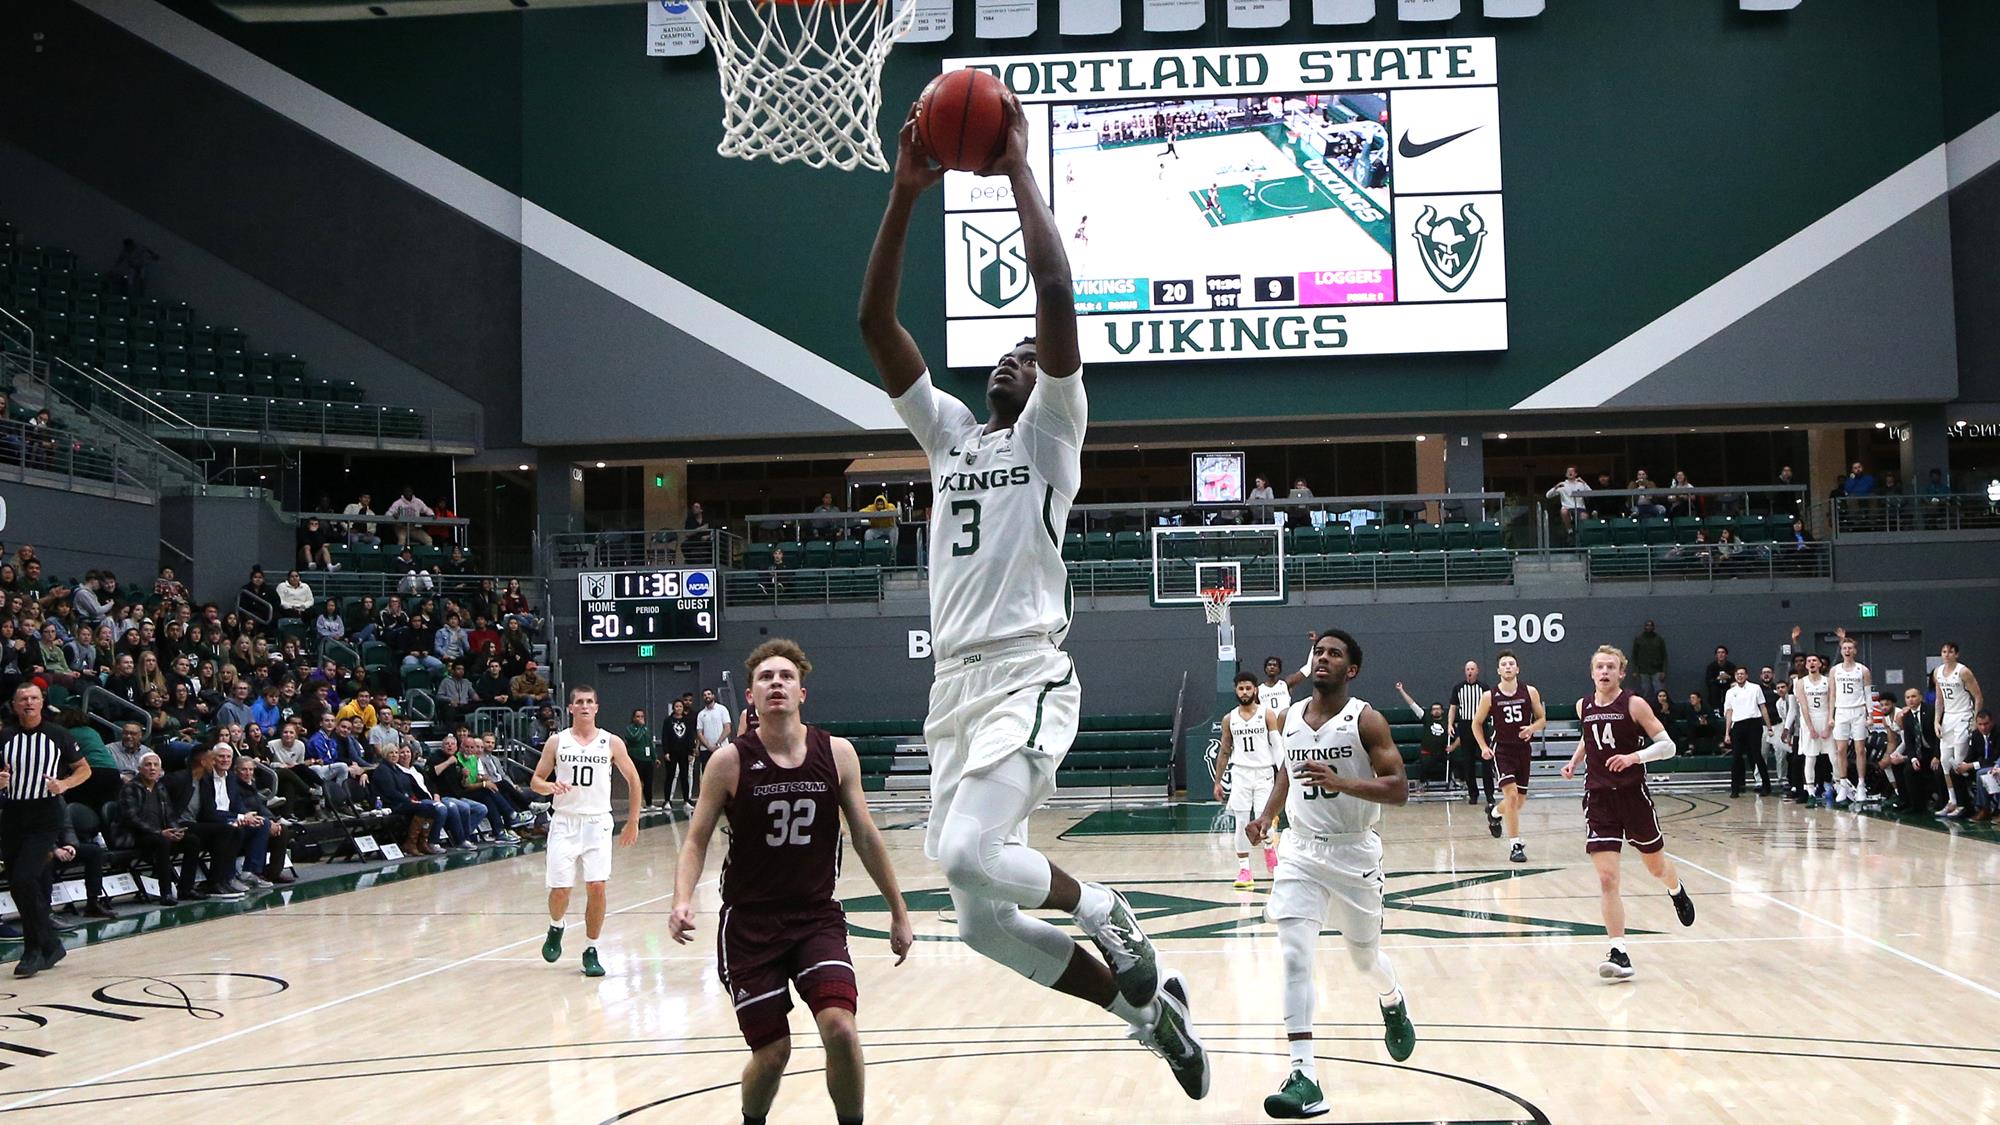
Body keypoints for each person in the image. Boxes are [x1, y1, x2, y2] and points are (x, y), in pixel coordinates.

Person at [860, 89, 1207, 1097]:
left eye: (1025, 354)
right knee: (971, 911)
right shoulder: (949, 438)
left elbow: (1054, 296)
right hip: (952, 693)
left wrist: (1013, 164)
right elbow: (872, 320)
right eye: (1003, 355)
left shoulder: (1050, 434)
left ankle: (1104, 904)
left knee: (968, 850)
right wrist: (903, 194)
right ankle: (1145, 1013)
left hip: (1025, 673)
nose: (1014, 358)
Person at [669, 640, 915, 1125]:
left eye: (785, 676)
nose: (776, 683)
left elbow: (865, 834)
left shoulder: (837, 753)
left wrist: (899, 910)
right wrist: (681, 900)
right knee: (774, 1051)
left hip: (814, 916)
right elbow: (695, 839)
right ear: (750, 696)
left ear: (802, 691)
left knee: (841, 1028)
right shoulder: (729, 762)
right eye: (766, 677)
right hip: (750, 924)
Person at [1245, 631, 1415, 1117]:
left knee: (1365, 961)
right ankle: (1304, 1074)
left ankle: (1392, 998)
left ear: (1351, 669)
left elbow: (1399, 788)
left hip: (1354, 852)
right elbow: (1286, 775)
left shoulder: (1367, 719)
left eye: (1334, 654)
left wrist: (1343, 782)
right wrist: (1267, 817)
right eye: (1319, 652)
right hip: (1300, 852)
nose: (1322, 658)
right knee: (1296, 957)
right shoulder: (1289, 717)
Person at [1560, 646, 1697, 981]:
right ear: (1592, 672)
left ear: (1621, 673)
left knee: (1656, 867)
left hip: (1633, 796)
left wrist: (1634, 757)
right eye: (1599, 667)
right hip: (1599, 798)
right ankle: (1618, 949)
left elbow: (1668, 746)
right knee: (1607, 878)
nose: (1604, 672)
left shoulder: (1634, 704)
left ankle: (1676, 889)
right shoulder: (1584, 705)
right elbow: (1588, 736)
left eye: (1611, 667)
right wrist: (1576, 761)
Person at [531, 684, 642, 978]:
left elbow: (634, 780)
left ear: (596, 707)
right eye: (579, 702)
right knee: (561, 889)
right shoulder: (557, 742)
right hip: (565, 821)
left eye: (589, 701)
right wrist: (549, 786)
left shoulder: (611, 742)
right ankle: (557, 926)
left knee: (597, 886)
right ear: (570, 708)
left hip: (597, 823)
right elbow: (536, 781)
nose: (584, 706)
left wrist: (633, 820)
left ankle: (591, 949)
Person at [0, 683, 91, 976]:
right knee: (20, 883)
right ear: (14, 705)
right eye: (23, 698)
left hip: (45, 815)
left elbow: (84, 769)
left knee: (24, 879)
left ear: (41, 703)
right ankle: (49, 944)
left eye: (34, 698)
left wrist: (63, 784)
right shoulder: (5, 736)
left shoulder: (58, 735)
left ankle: (33, 949)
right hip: (13, 814)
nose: (28, 703)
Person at [1211, 672, 1283, 889]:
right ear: (1236, 690)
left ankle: (1269, 847)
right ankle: (1244, 869)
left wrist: (1284, 775)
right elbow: (1224, 751)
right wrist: (1217, 781)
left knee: (1265, 820)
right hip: (1241, 774)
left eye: (1248, 688)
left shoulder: (1267, 714)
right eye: (1241, 688)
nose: (1244, 692)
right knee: (1241, 823)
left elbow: (1277, 747)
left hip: (1264, 774)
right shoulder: (1229, 719)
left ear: (1255, 690)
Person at [1473, 650, 1546, 862]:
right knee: (1512, 796)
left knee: (1517, 802)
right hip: (1502, 750)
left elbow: (1542, 719)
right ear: (1498, 670)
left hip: (1523, 750)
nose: (1507, 667)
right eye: (1504, 664)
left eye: (1511, 663)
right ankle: (1515, 845)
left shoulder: (1530, 692)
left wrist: (1532, 728)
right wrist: (1483, 746)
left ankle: (1494, 813)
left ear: (1517, 668)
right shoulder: (1490, 696)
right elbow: (1476, 723)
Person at [1931, 642, 1983, 819]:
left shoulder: (1963, 671)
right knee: (1945, 760)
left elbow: (1978, 696)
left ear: (1956, 654)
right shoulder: (1938, 672)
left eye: (1950, 652)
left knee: (1959, 762)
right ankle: (1952, 800)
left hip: (1963, 715)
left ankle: (1965, 802)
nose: (1946, 654)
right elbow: (1939, 700)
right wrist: (1937, 721)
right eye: (1944, 651)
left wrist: (1975, 720)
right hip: (1948, 717)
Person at [1447, 660, 1495, 824]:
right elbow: (1453, 707)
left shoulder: (1484, 687)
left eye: (1472, 669)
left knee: (1486, 759)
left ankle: (1490, 794)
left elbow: (1492, 706)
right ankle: (1473, 794)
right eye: (1467, 669)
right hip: (1465, 725)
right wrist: (1449, 724)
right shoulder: (1458, 688)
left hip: (1481, 723)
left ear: (1477, 671)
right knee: (1468, 762)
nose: (1469, 671)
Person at [1830, 632, 1874, 805]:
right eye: (1844, 648)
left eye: (1850, 648)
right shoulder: (1835, 670)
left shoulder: (1863, 670)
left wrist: (1870, 714)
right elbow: (1832, 694)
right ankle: (1843, 784)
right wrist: (1830, 716)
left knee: (1860, 750)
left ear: (1855, 651)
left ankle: (1861, 784)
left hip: (1858, 711)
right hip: (1841, 711)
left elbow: (1868, 694)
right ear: (1841, 651)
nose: (1847, 651)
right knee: (1840, 750)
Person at [1790, 639, 1835, 806]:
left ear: (1820, 664)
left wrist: (1830, 721)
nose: (1811, 663)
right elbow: (1803, 707)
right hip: (1809, 721)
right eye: (1809, 661)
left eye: (1814, 660)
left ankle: (1839, 788)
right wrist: (1810, 728)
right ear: (1806, 665)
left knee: (1833, 757)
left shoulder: (1828, 680)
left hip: (1825, 718)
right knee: (1810, 758)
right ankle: (1810, 792)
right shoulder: (1800, 683)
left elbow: (1832, 702)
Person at [1721, 667, 1773, 797]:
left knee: (1757, 755)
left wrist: (1769, 726)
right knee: (1736, 756)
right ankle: (1735, 788)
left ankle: (1766, 786)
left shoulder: (1755, 688)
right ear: (1735, 676)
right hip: (1738, 725)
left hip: (1753, 723)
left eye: (1742, 674)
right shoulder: (1730, 692)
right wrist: (1727, 732)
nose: (1740, 676)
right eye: (1737, 674)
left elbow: (1762, 707)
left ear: (1746, 675)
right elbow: (1729, 712)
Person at [694, 687, 731, 801]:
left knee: (724, 773)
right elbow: (699, 733)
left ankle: (726, 798)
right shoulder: (701, 714)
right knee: (708, 776)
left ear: (713, 696)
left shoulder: (722, 709)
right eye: (705, 695)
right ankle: (710, 800)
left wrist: (717, 743)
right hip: (706, 751)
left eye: (709, 694)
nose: (707, 696)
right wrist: (709, 746)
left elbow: (727, 728)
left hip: (722, 748)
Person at [661, 698, 696, 808]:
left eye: (680, 706)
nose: (679, 708)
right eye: (677, 706)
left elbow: (691, 737)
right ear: (673, 708)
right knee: (670, 776)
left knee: (684, 776)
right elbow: (664, 737)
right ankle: (667, 801)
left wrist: (691, 752)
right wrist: (666, 751)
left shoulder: (687, 721)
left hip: (684, 752)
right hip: (672, 753)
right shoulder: (668, 721)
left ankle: (686, 800)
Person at [625, 708, 657, 808]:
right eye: (638, 717)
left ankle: (649, 803)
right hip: (636, 758)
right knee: (637, 783)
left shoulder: (646, 729)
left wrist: (654, 757)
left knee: (648, 782)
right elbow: (635, 738)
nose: (640, 719)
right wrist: (640, 727)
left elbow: (650, 743)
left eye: (642, 717)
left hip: (647, 759)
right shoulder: (630, 729)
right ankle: (636, 805)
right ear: (633, 718)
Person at [1545, 467, 1591, 534]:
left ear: (1576, 474)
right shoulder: (1562, 485)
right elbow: (1548, 495)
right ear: (1566, 474)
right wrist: (1556, 486)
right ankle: (1569, 530)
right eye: (1568, 471)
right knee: (1563, 511)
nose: (1570, 472)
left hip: (1580, 508)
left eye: (1572, 471)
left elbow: (1590, 493)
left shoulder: (1580, 484)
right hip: (1567, 508)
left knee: (1584, 516)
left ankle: (1582, 534)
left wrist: (1584, 483)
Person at [1629, 620, 1667, 696]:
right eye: (1647, 625)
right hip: (1643, 670)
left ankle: (1658, 707)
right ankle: (1645, 706)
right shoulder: (1639, 639)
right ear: (1644, 627)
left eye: (1650, 625)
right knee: (1645, 690)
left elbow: (1664, 656)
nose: (1649, 627)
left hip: (1657, 669)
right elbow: (1634, 655)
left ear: (1654, 627)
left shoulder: (1659, 639)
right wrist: (1635, 670)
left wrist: (1664, 671)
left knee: (1659, 691)